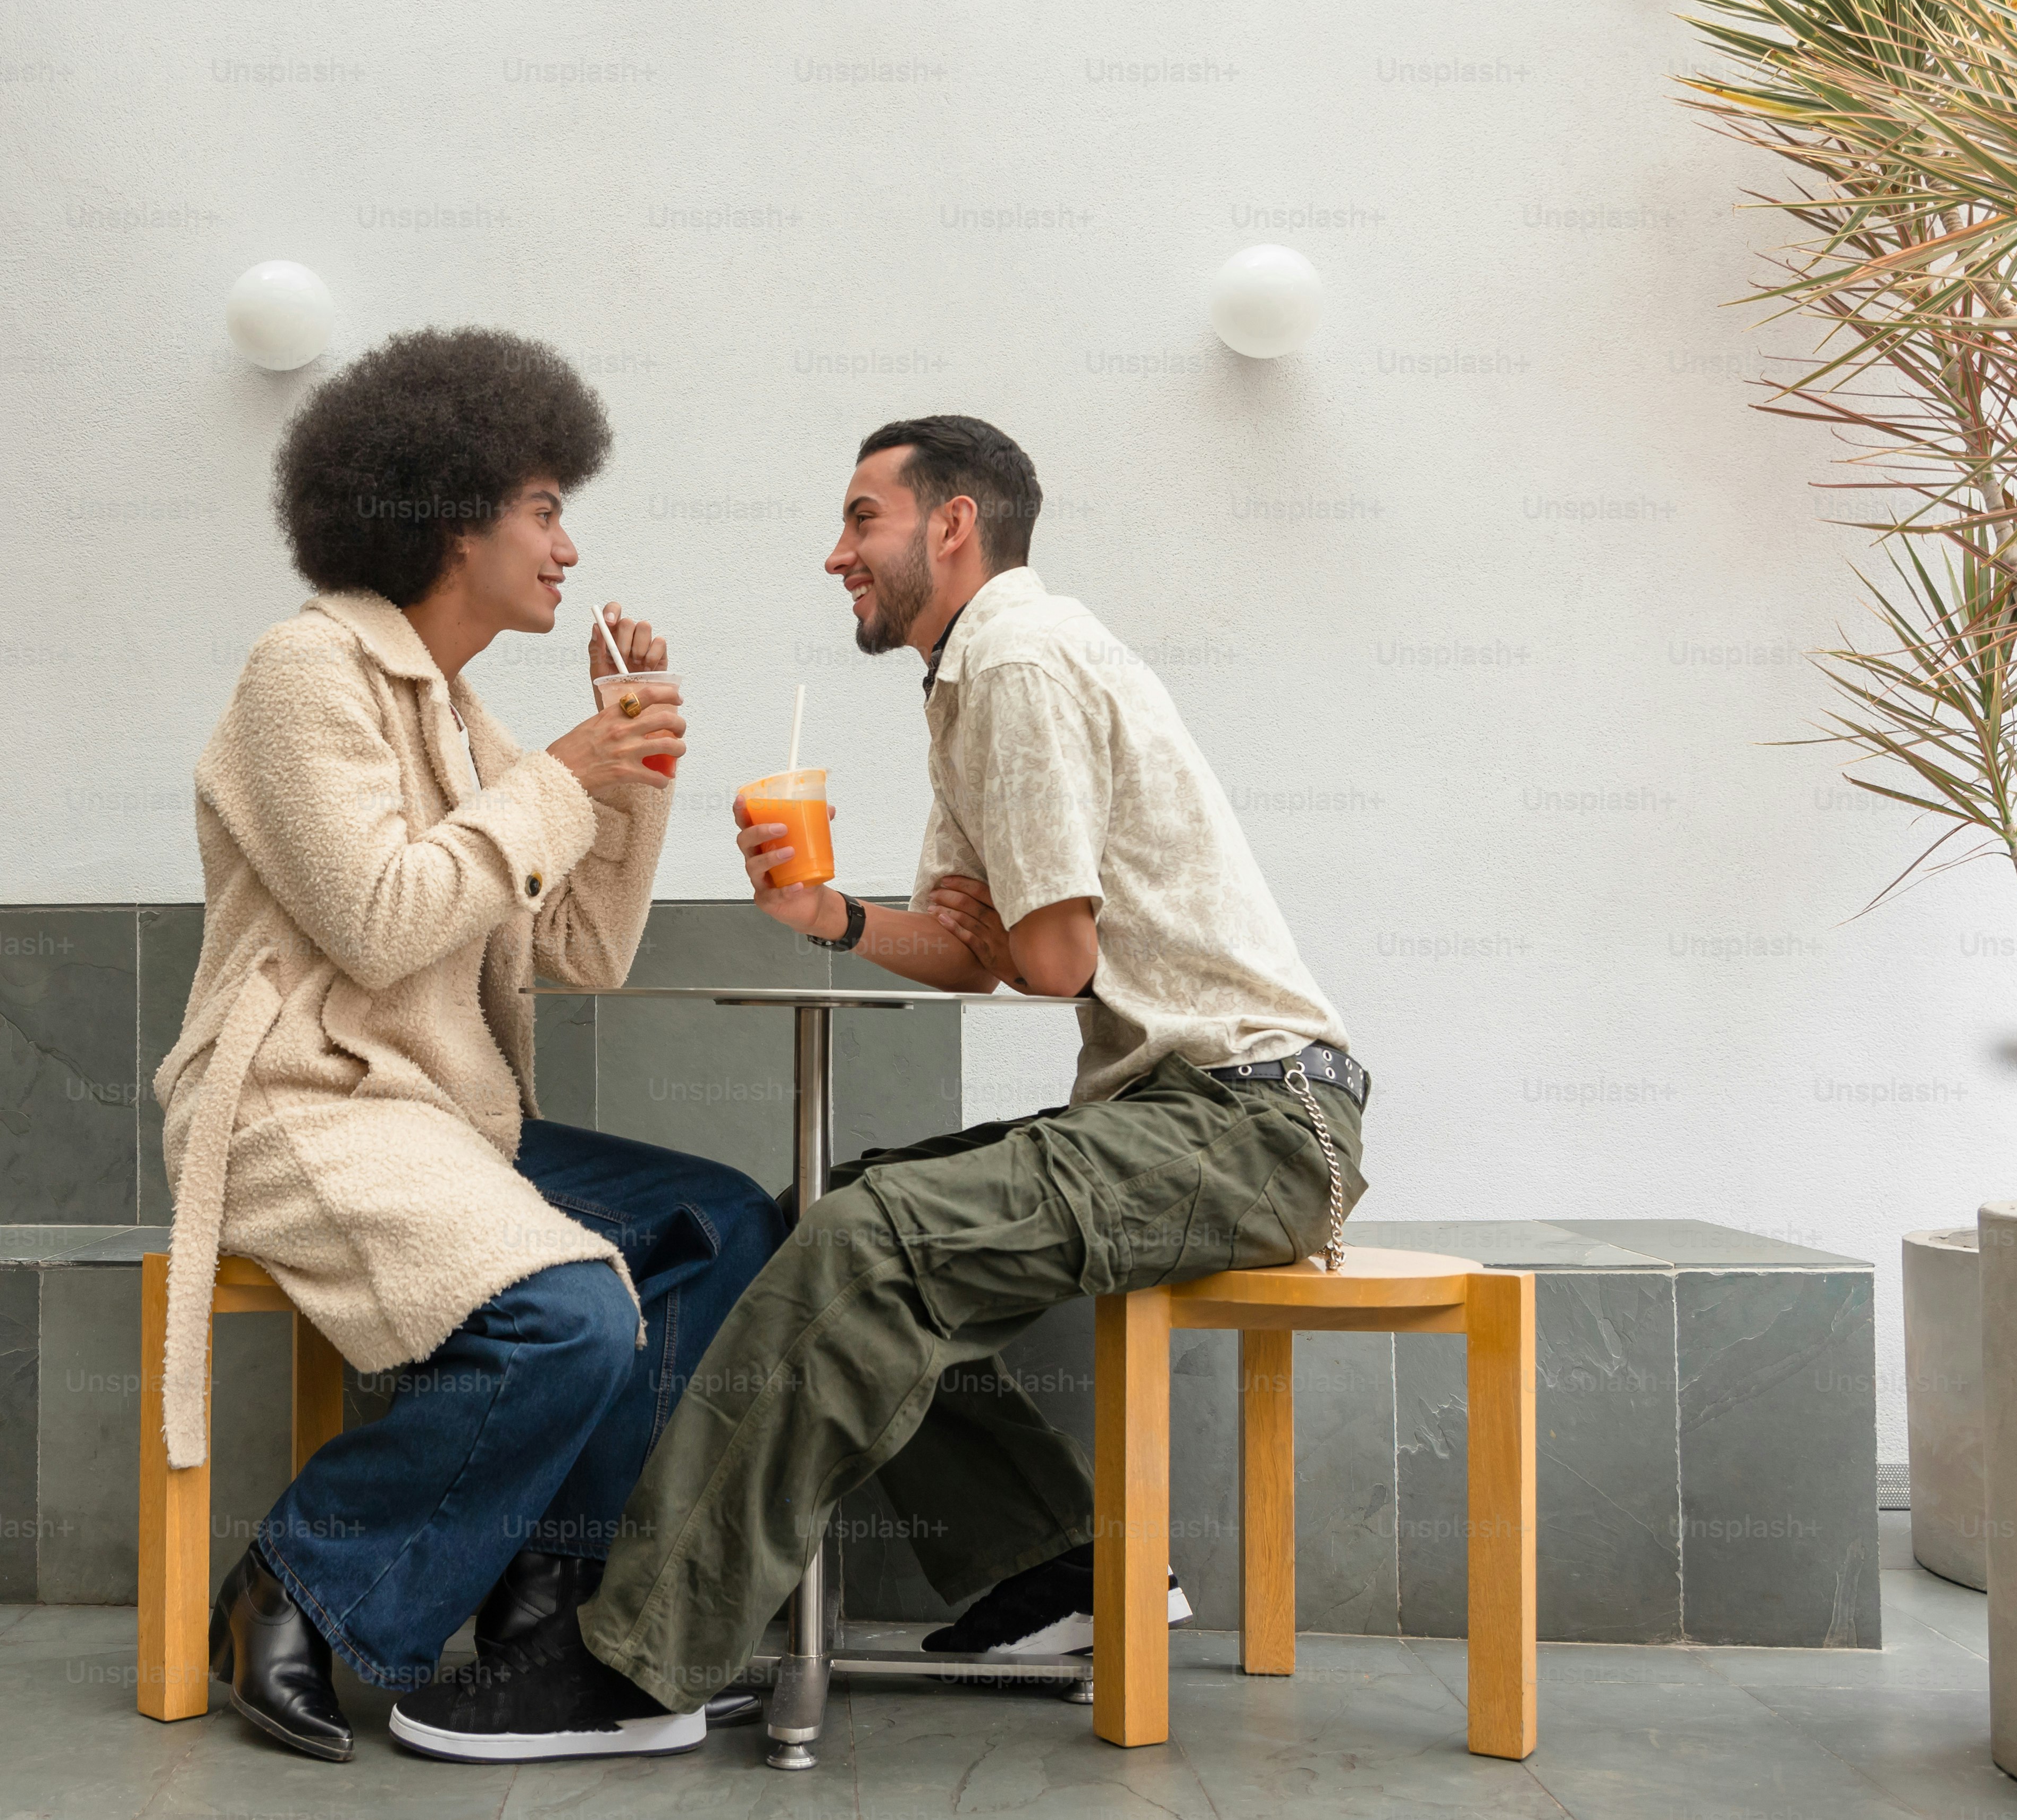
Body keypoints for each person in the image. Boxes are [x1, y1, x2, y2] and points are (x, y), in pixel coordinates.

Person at [389, 413, 1369, 1762]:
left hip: (1257, 1121)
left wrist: (992, 926)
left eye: (864, 519)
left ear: (951, 522)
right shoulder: (968, 678)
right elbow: (980, 948)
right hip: (1177, 1116)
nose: (837, 552)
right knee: (827, 1207)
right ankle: (1059, 1569)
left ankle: (638, 1660)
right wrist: (827, 910)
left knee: (869, 1242)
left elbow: (1054, 952)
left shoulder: (1019, 657)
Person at [154, 326, 786, 1764]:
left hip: (435, 1120)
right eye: (545, 504)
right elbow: (383, 919)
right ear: (452, 512)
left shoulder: (458, 714)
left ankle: (549, 1596)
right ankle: (296, 1588)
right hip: (295, 1110)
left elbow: (575, 949)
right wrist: (563, 776)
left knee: (715, 1221)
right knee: (567, 1311)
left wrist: (621, 775)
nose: (566, 546)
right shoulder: (303, 674)